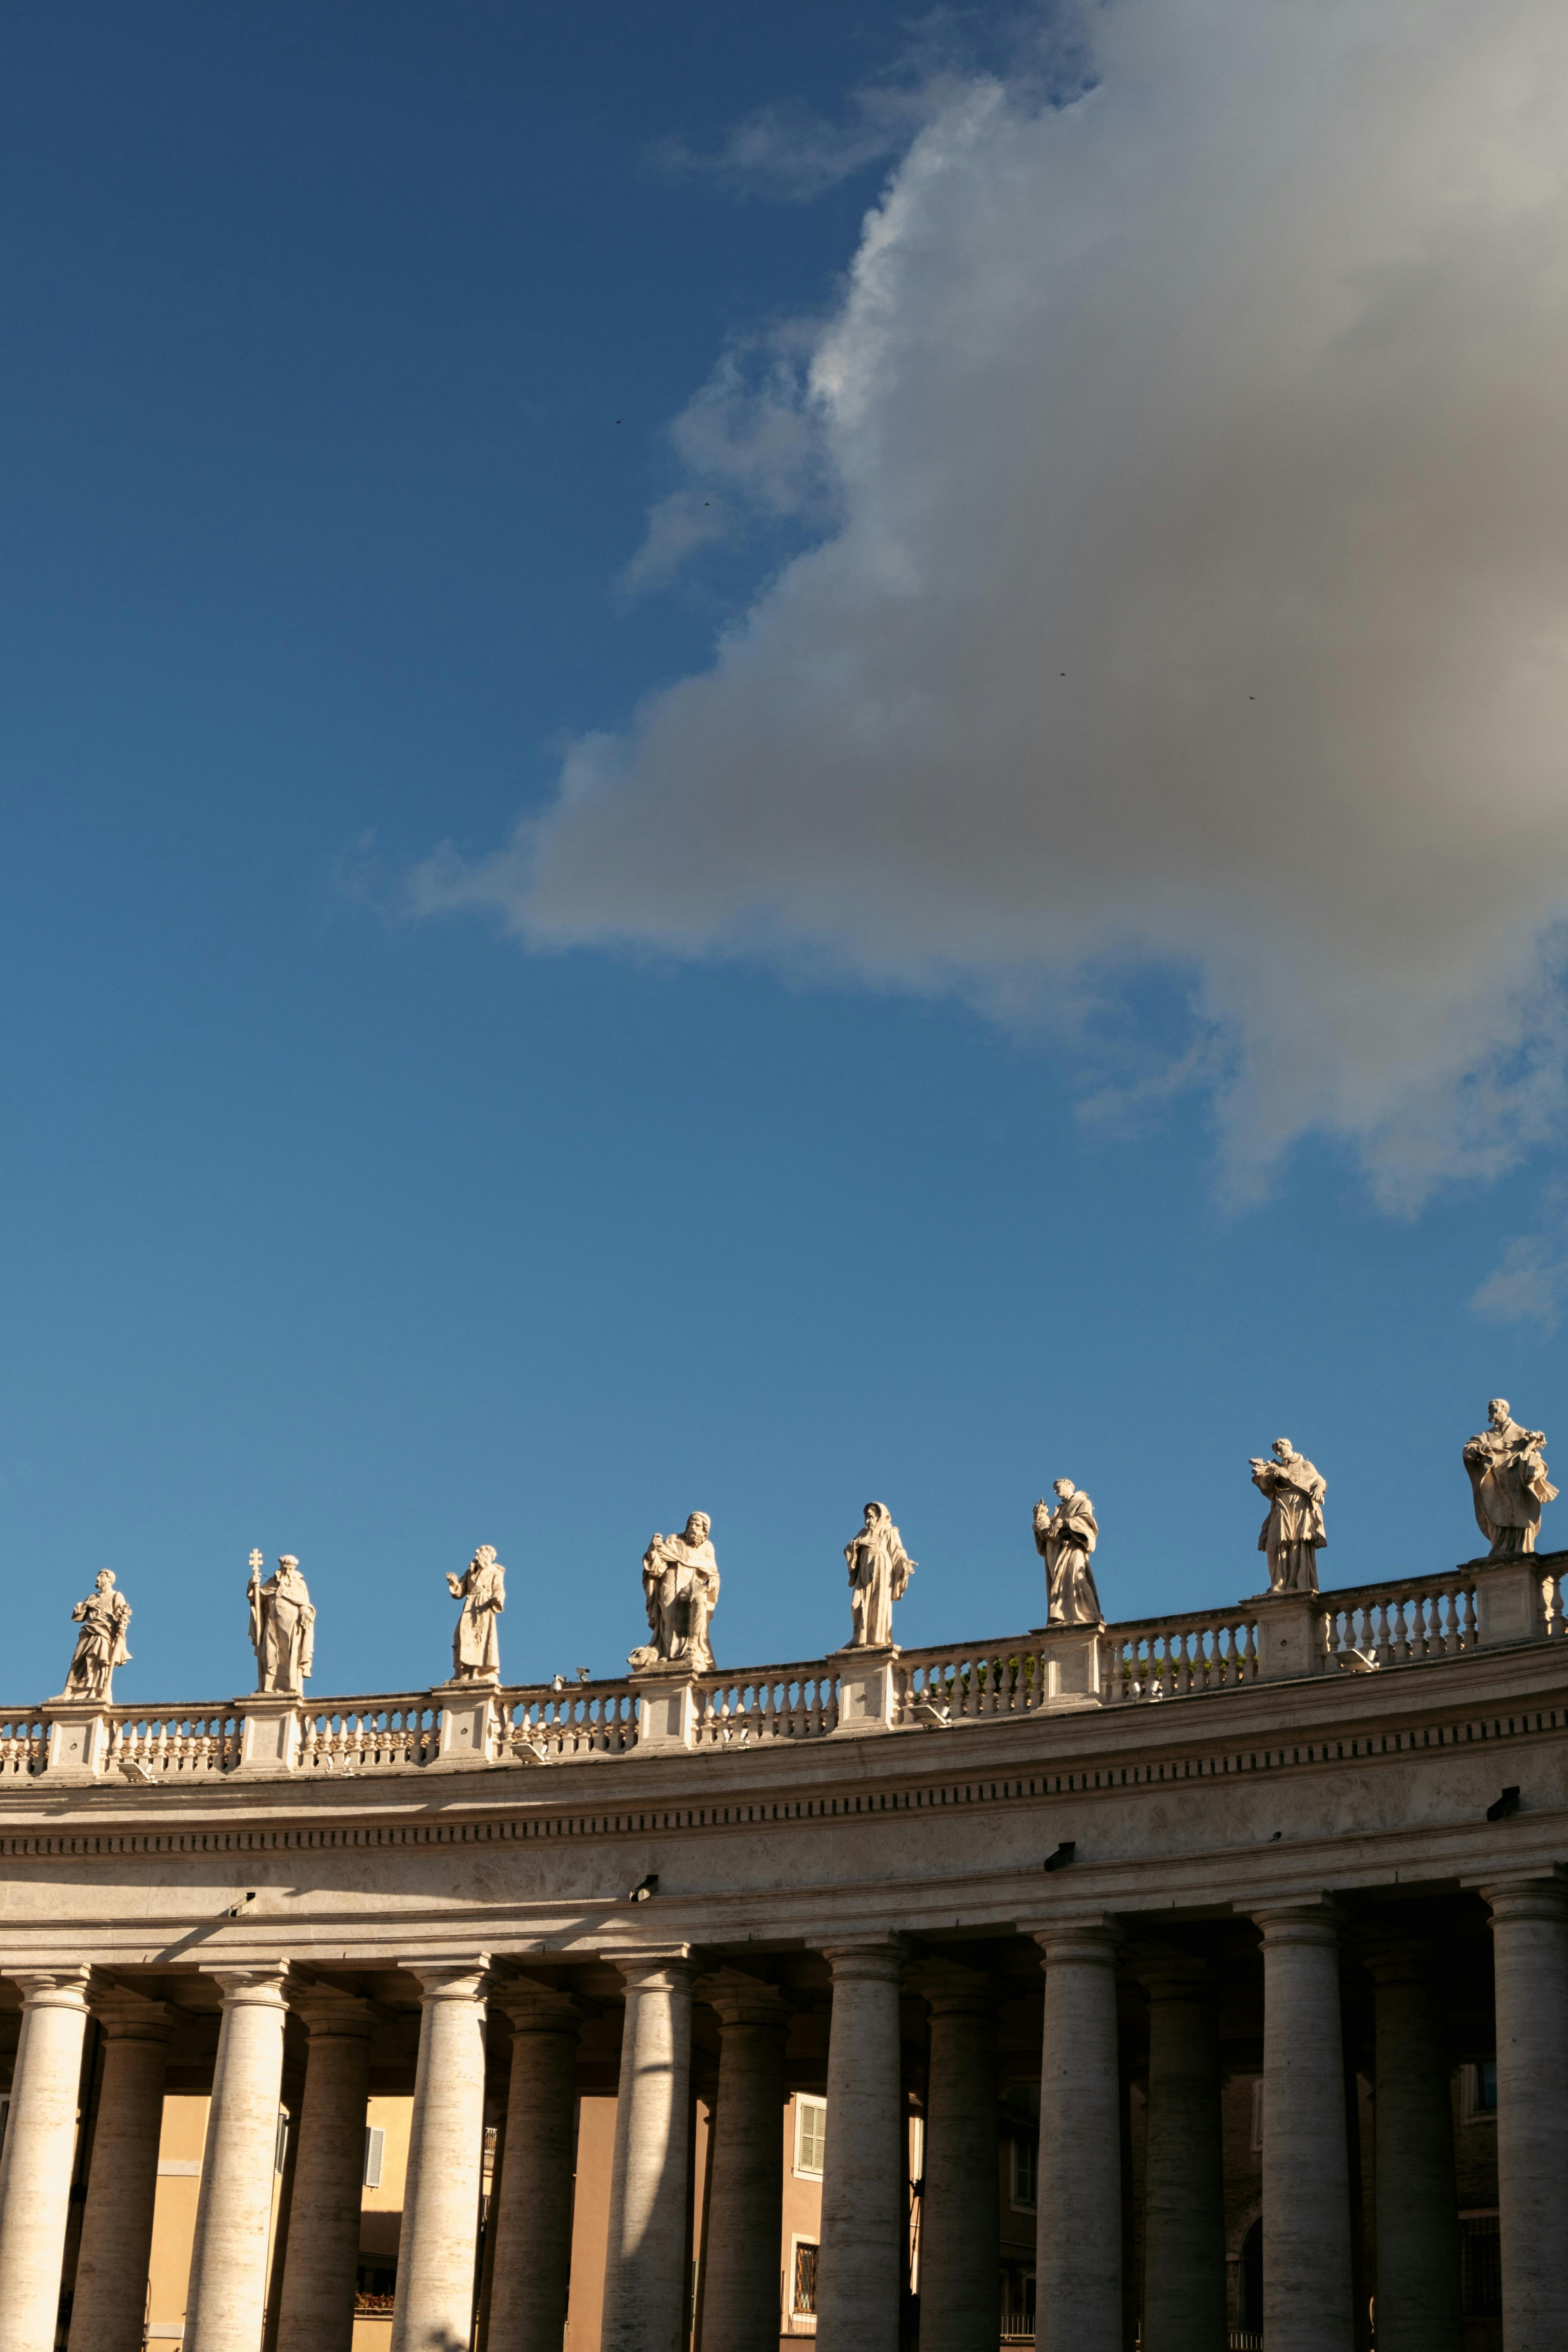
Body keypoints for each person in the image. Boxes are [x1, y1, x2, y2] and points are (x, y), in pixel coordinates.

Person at [1463, 1399, 1557, 1559]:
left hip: (1518, 1489)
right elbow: (1468, 1451)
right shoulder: (1487, 1436)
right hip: (1496, 1490)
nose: (1489, 1411)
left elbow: (1536, 1459)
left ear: (1502, 1408)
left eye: (1491, 1408)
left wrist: (1533, 1471)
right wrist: (1491, 1447)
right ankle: (1501, 1557)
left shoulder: (1521, 1434)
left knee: (1521, 1526)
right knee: (1499, 1527)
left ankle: (1520, 1560)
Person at [637, 1514, 719, 1673]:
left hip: (695, 1584)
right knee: (669, 1619)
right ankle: (667, 1655)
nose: (693, 1527)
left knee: (700, 1603)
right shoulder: (674, 1540)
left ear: (705, 1530)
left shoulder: (707, 1547)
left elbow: (712, 1571)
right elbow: (657, 1568)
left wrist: (712, 1581)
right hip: (671, 1582)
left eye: (697, 1525)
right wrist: (653, 1550)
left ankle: (693, 1646)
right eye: (691, 1524)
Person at [1249, 1440, 1327, 1594]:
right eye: (1276, 1451)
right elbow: (1264, 1484)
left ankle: (1296, 1585)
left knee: (1297, 1545)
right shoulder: (1276, 1468)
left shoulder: (1305, 1466)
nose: (1279, 1453)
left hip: (1300, 1509)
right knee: (1272, 1546)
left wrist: (1319, 1487)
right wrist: (1276, 1474)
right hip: (1281, 1510)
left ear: (1289, 1446)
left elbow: (1320, 1481)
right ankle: (1278, 1584)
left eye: (1281, 1448)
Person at [844, 1502, 916, 1648]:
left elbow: (897, 1552)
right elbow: (849, 1549)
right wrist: (858, 1544)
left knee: (878, 1603)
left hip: (881, 1570)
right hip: (864, 1570)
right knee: (856, 1604)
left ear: (880, 1515)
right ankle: (859, 1638)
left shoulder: (889, 1531)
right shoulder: (862, 1533)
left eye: (872, 1513)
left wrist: (904, 1563)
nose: (869, 1516)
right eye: (867, 1513)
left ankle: (876, 1640)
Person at [1033, 1480, 1103, 1623]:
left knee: (1077, 1577)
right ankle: (1062, 1616)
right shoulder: (1059, 1509)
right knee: (1059, 1583)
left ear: (1069, 1485)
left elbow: (1087, 1522)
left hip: (1073, 1547)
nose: (1056, 1491)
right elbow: (1045, 1530)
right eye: (1054, 1490)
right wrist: (1039, 1516)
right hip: (1055, 1551)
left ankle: (1089, 1615)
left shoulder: (1083, 1503)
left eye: (1058, 1487)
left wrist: (1064, 1523)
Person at [249, 1553, 316, 1695]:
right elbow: (258, 1599)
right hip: (273, 1622)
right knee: (270, 1652)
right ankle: (269, 1687)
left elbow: (304, 1603)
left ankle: (288, 1687)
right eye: (285, 1568)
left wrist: (305, 1610)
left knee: (290, 1654)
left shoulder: (299, 1584)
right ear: (281, 1566)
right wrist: (253, 1585)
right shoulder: (272, 1583)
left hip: (292, 1624)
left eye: (291, 1568)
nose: (287, 1571)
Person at [62, 1568, 132, 1702]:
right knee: (77, 1661)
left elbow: (123, 1615)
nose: (98, 1579)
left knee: (100, 1662)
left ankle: (97, 1692)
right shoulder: (92, 1598)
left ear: (108, 1580)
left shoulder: (116, 1596)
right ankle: (68, 1692)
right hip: (89, 1632)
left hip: (104, 1634)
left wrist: (122, 1627)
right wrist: (88, 1604)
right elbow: (77, 1617)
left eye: (100, 1577)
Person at [448, 1545, 506, 1682]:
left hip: (484, 1607)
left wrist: (497, 1598)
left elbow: (499, 1589)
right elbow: (460, 1591)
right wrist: (454, 1582)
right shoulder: (470, 1573)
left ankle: (476, 1672)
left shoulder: (494, 1572)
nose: (476, 1557)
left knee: (479, 1639)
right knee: (460, 1637)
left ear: (486, 1557)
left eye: (479, 1555)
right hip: (470, 1607)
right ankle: (463, 1671)